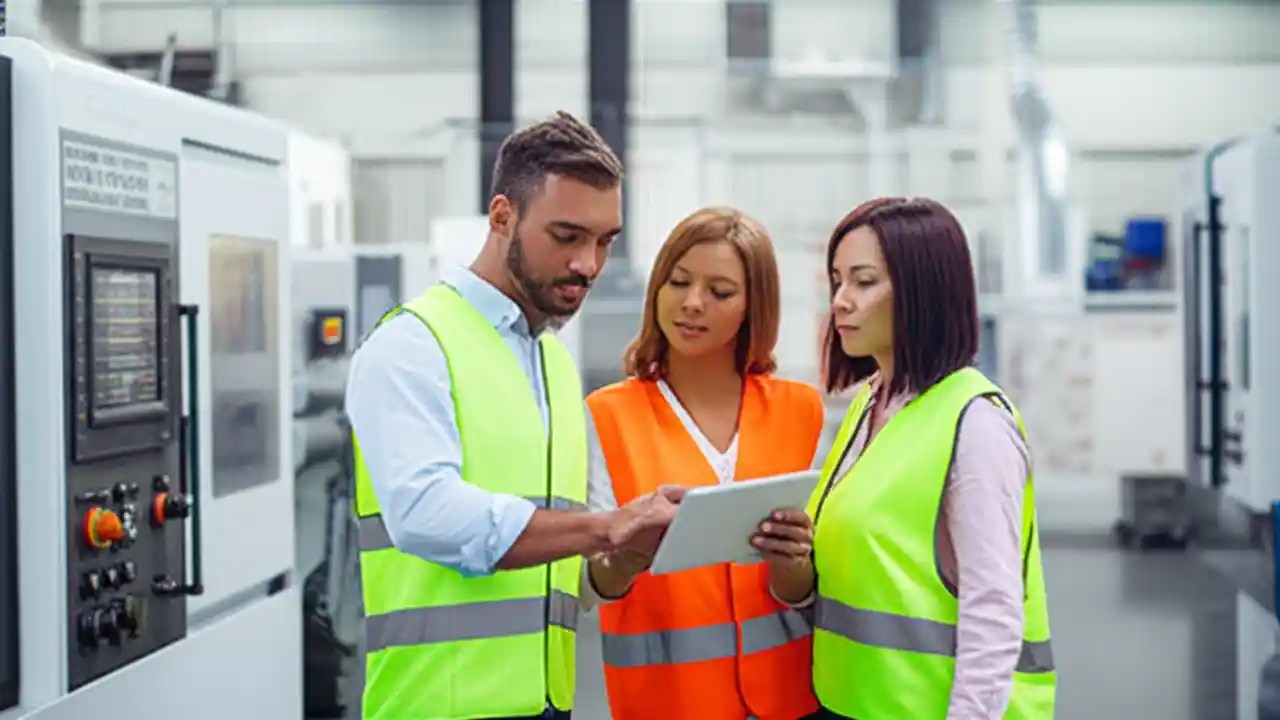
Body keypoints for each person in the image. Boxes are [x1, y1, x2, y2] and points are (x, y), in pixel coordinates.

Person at [345, 111, 682, 720]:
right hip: (435, 708)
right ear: (502, 217)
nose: (589, 263)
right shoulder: (412, 345)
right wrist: (605, 527)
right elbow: (423, 513)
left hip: (546, 705)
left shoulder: (552, 363)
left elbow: (564, 580)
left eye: (605, 240)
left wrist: (629, 551)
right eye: (567, 236)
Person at [752, 197, 1057, 719]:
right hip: (850, 704)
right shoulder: (870, 405)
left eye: (863, 282)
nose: (841, 301)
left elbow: (994, 611)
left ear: (923, 293)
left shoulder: (976, 423)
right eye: (837, 281)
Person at [583, 206, 826, 720]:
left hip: (792, 703)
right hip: (665, 706)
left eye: (719, 293)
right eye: (678, 282)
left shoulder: (802, 411)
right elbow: (586, 587)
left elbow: (813, 585)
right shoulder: (606, 416)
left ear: (751, 307)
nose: (692, 304)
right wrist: (624, 559)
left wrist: (795, 569)